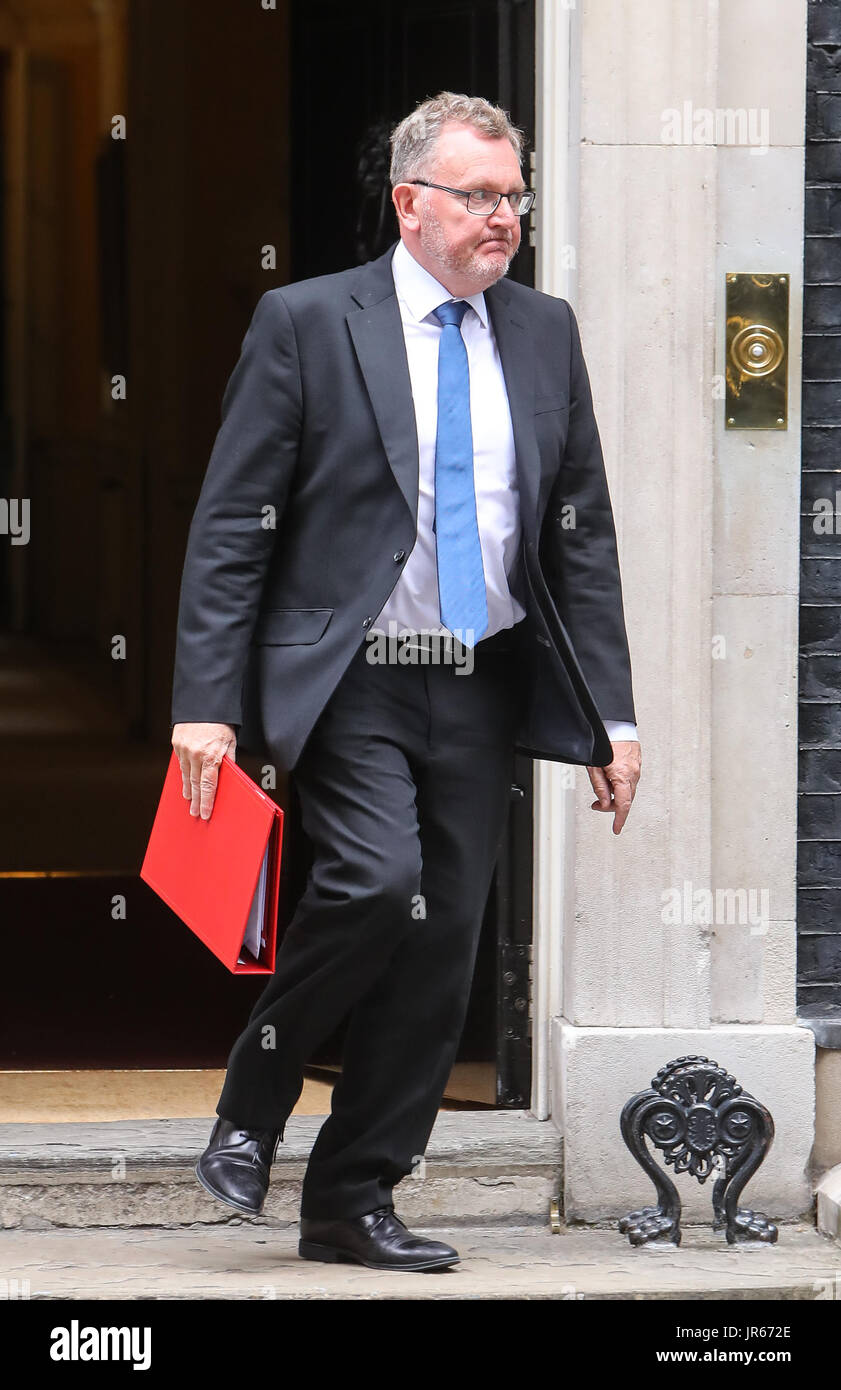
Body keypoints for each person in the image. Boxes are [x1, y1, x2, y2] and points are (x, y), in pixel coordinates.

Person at [170, 91, 641, 1273]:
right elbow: (233, 526)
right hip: (354, 679)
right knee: (377, 885)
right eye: (479, 196)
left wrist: (612, 717)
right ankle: (253, 1100)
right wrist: (204, 703)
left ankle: (349, 1198)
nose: (503, 220)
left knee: (444, 947)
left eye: (514, 198)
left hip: (481, 681)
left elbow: (577, 534)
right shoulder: (307, 321)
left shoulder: (544, 332)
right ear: (408, 201)